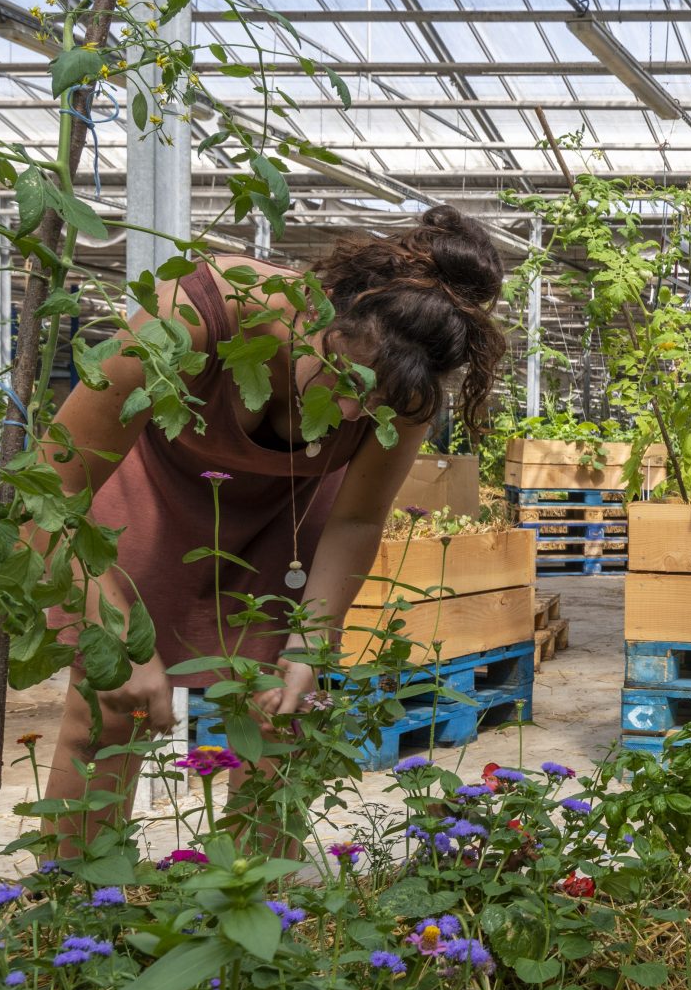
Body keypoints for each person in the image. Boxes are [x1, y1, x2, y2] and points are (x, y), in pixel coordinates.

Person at [37, 205, 507, 847]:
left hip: (287, 521)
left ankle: (250, 904)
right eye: (344, 375)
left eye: (377, 402)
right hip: (151, 492)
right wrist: (116, 637)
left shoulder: (407, 385)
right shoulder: (200, 308)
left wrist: (310, 646)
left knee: (278, 716)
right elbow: (53, 482)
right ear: (324, 314)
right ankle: (74, 907)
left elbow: (360, 517)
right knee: (110, 705)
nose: (351, 409)